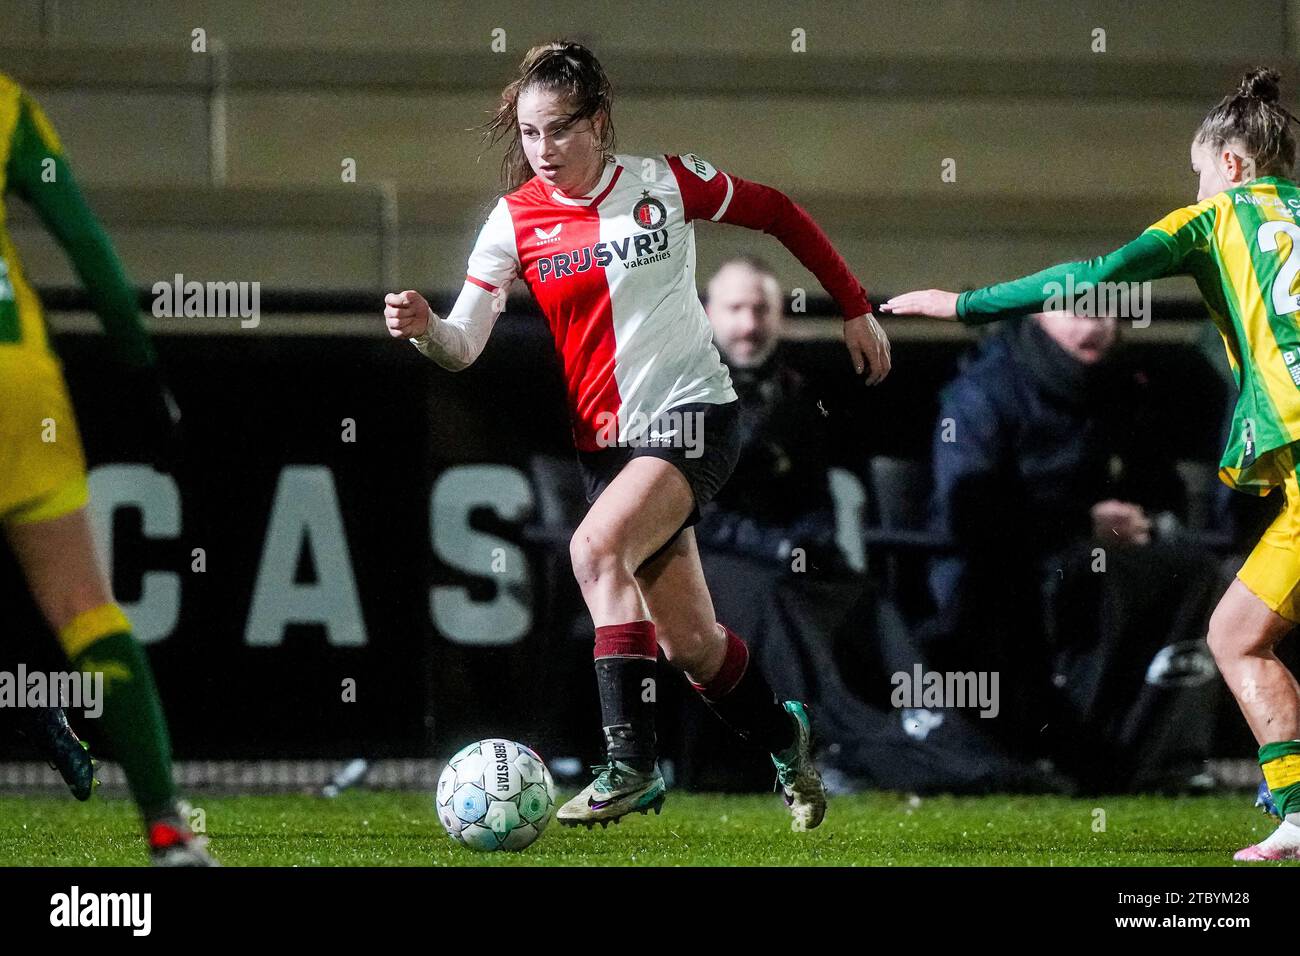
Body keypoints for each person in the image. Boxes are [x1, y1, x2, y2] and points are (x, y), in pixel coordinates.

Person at [384, 41, 890, 831]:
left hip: (694, 416)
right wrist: (424, 330)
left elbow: (779, 211)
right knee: (692, 644)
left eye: (559, 130)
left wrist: (853, 305)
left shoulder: (664, 182)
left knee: (592, 551)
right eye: (528, 134)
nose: (542, 152)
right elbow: (464, 345)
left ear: (599, 122)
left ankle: (630, 765)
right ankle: (786, 736)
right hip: (608, 446)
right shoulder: (515, 220)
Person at [883, 67, 1300, 861]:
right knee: (1238, 635)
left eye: (1199, 170)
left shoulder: (1213, 221)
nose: (1198, 183)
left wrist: (964, 304)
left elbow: (1091, 280)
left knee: (1241, 639)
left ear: (1234, 166)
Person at [0, 73, 213, 865]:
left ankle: (32, 706)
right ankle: (167, 830)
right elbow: (85, 241)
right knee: (84, 605)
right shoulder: (8, 105)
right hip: (15, 376)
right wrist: (141, 370)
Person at [697, 255, 845, 570]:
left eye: (761, 310)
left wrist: (809, 549)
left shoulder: (798, 394)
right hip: (708, 568)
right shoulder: (677, 393)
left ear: (778, 316)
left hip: (788, 566)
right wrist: (778, 547)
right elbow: (687, 516)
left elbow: (816, 497)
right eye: (735, 309)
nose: (749, 325)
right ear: (709, 314)